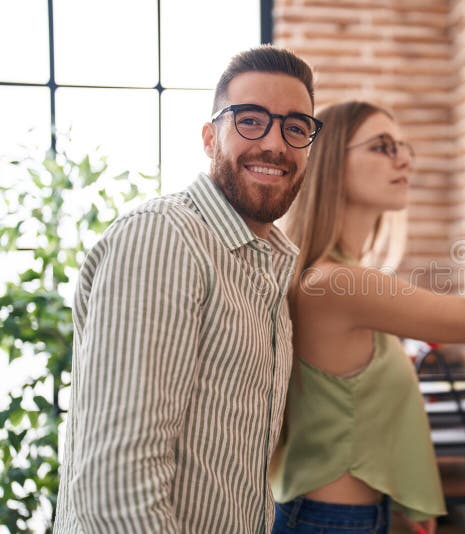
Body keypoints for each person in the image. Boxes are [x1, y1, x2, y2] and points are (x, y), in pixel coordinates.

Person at [270, 101, 465, 534]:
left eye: (403, 146)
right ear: (329, 164)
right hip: (331, 520)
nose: (404, 158)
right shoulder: (334, 284)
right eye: (382, 146)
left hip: (337, 514)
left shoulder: (335, 277)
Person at [54, 45, 321, 533]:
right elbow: (116, 487)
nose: (276, 144)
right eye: (250, 120)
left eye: (296, 128)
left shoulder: (266, 265)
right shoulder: (164, 237)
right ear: (208, 137)